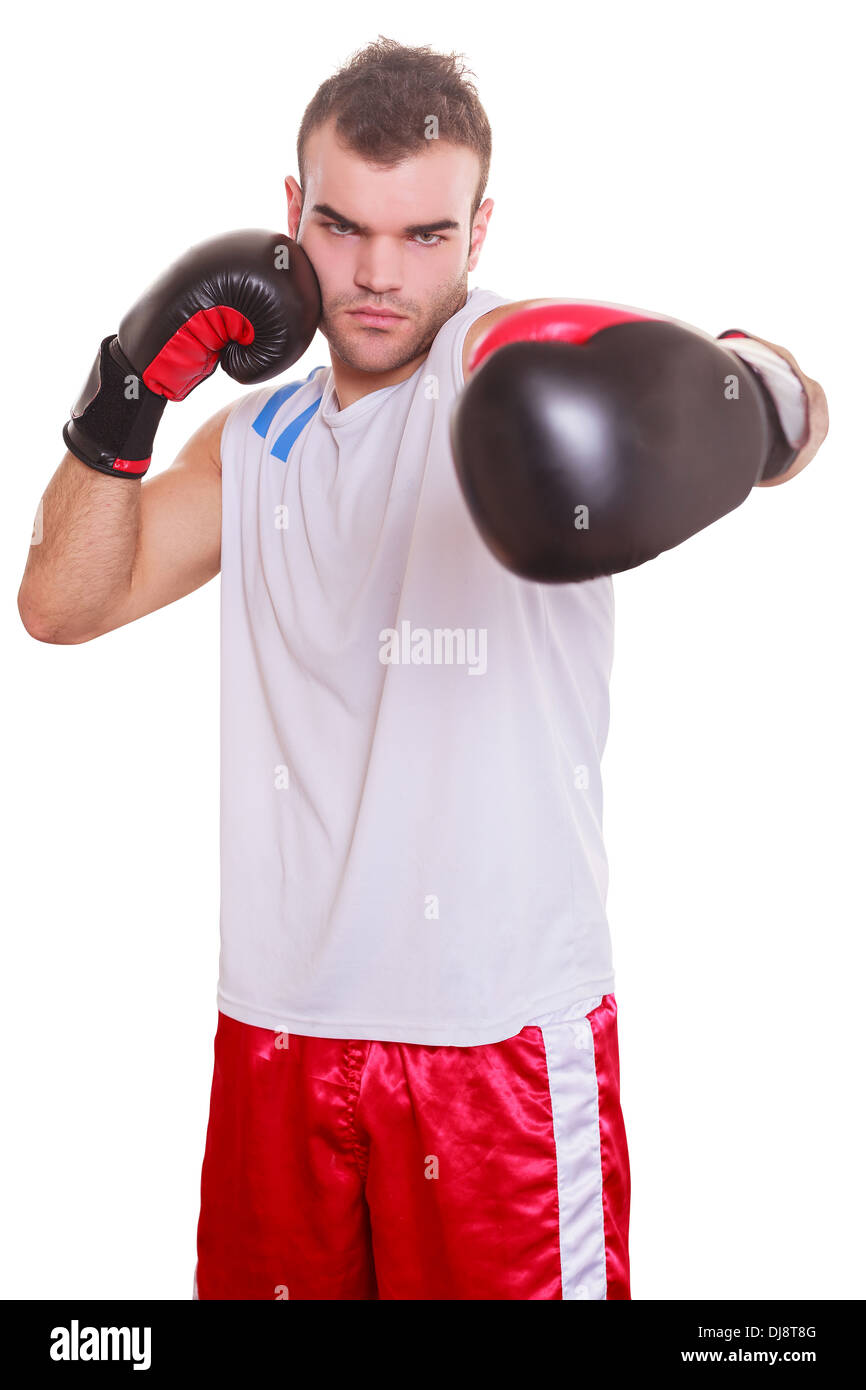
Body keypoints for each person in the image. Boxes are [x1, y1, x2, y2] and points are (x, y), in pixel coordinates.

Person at [17, 38, 828, 1301]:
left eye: (427, 236)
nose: (381, 276)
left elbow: (754, 406)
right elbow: (61, 608)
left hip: (489, 1047)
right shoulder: (256, 443)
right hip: (276, 1034)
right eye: (342, 229)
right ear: (289, 215)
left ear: (479, 228)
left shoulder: (495, 368)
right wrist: (134, 380)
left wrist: (765, 396)